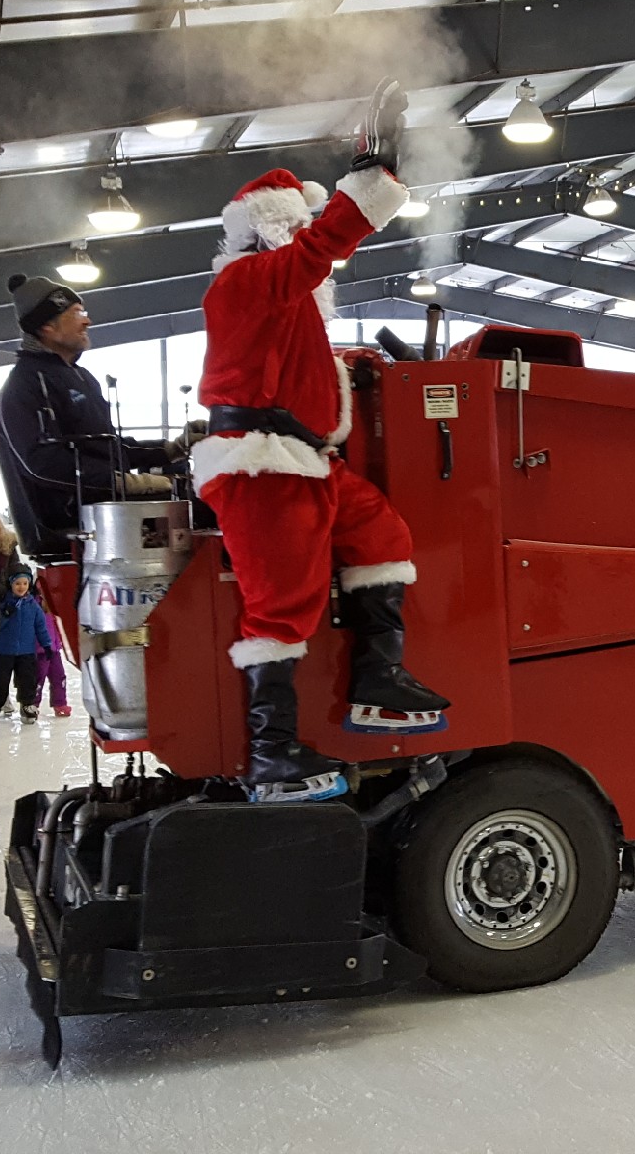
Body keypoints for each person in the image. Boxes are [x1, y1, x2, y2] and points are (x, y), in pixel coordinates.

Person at [193, 166, 450, 802]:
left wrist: (353, 366)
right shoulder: (247, 281)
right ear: (274, 226)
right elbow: (313, 256)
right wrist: (364, 200)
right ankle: (271, 751)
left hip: (307, 461)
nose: (309, 234)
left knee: (381, 533)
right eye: (300, 224)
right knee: (281, 605)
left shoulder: (283, 301)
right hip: (263, 465)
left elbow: (297, 363)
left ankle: (377, 678)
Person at [0, 273, 178, 562]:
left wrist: (170, 449)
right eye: (76, 313)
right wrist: (119, 483)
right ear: (47, 327)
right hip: (75, 518)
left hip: (107, 507)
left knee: (194, 497)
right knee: (197, 511)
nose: (87, 321)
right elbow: (42, 464)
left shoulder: (81, 377)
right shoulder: (23, 387)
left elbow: (108, 447)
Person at [0, 565, 54, 727]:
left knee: (27, 680)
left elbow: (40, 627)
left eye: (25, 584)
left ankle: (27, 704)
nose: (21, 587)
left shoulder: (32, 606)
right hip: (3, 651)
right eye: (17, 584)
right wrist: (6, 615)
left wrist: (47, 645)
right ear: (11, 584)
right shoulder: (2, 604)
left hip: (26, 652)